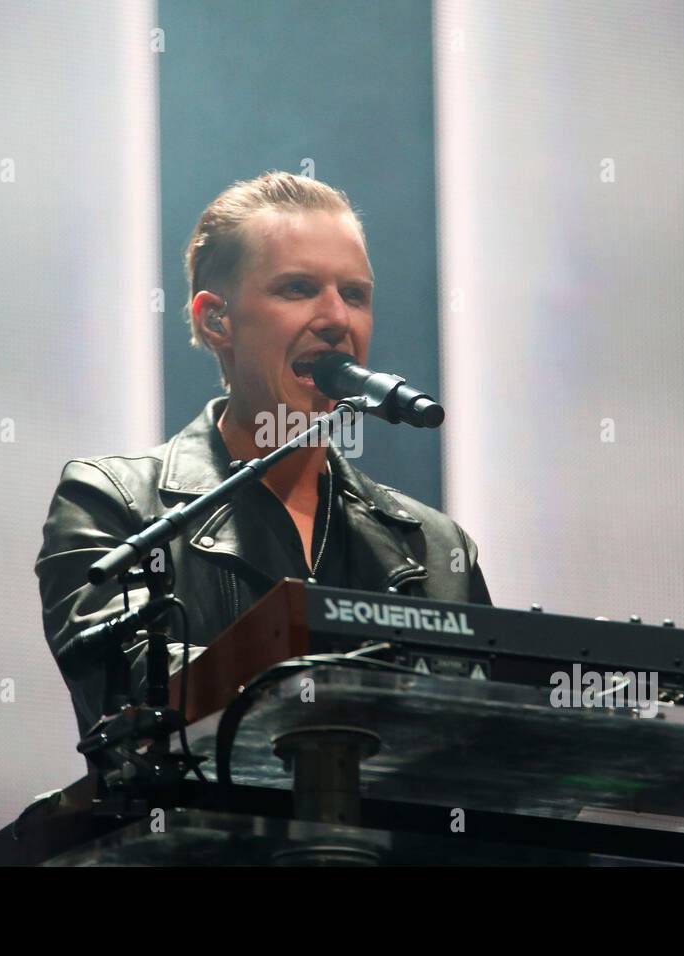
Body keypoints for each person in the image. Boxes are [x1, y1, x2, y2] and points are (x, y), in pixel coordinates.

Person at [35, 171, 491, 764]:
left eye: (354, 294)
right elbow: (126, 705)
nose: (336, 318)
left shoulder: (435, 545)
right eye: (299, 288)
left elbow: (483, 745)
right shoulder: (112, 502)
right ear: (215, 320)